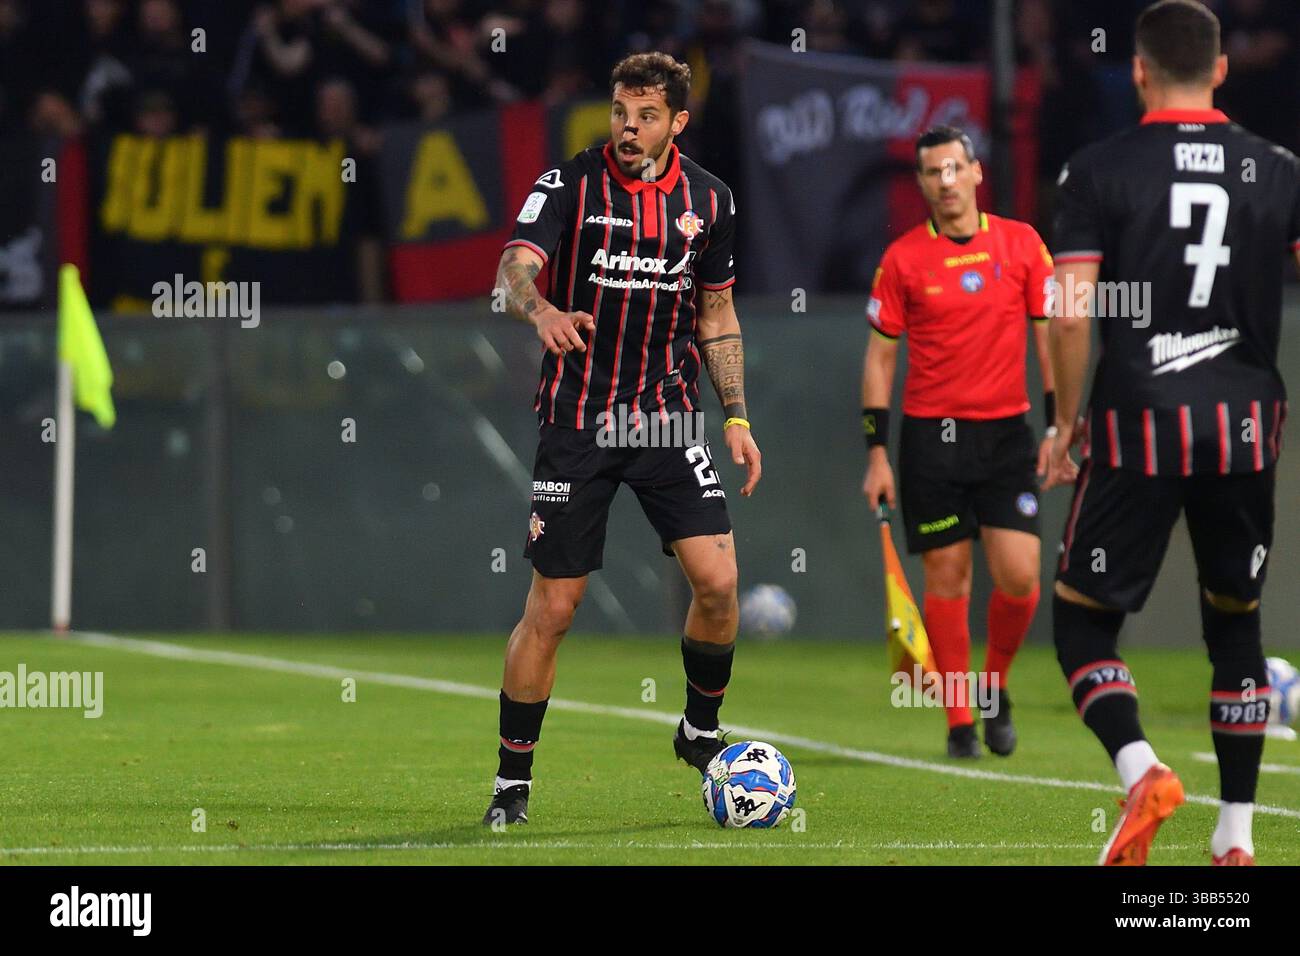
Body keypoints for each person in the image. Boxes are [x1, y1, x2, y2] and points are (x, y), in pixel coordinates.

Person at [1044, 0, 1300, 866]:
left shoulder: (1097, 170)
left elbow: (1072, 310)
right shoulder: (1279, 169)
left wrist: (1066, 420)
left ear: (1141, 71)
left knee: (1082, 623)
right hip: (1243, 425)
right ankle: (1236, 838)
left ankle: (1143, 766)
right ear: (1222, 69)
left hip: (1137, 424)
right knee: (1236, 623)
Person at [484, 51, 761, 825]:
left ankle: (699, 730)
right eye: (619, 112)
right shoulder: (571, 183)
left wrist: (734, 413)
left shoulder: (710, 200)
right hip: (578, 420)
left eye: (645, 116)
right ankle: (512, 783)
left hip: (666, 418)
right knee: (555, 608)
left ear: (678, 121)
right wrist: (537, 309)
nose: (628, 128)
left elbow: (716, 316)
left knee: (719, 582)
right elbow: (511, 270)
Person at [862, 125, 1056, 758]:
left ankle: (994, 685)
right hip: (931, 442)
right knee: (948, 579)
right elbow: (881, 360)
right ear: (921, 183)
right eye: (931, 173)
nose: (944, 181)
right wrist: (877, 452)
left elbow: (1049, 336)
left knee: (1021, 576)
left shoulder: (1023, 244)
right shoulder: (902, 260)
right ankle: (958, 721)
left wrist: (1058, 425)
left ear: (976, 172)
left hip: (1006, 435)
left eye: (953, 168)